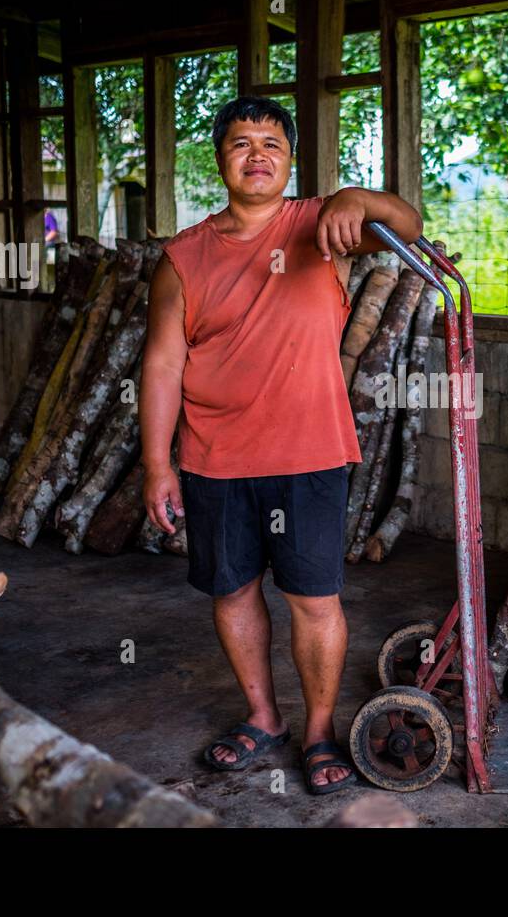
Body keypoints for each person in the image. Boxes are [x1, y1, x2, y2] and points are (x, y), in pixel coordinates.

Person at [140, 96, 423, 795]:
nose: (256, 153)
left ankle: (320, 729)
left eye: (271, 142)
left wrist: (357, 196)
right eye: (240, 142)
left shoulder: (321, 225)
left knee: (313, 599)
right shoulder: (182, 258)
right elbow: (162, 364)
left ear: (290, 159)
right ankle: (264, 717)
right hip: (215, 458)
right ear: (221, 160)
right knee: (233, 591)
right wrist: (156, 465)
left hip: (309, 457)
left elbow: (410, 225)